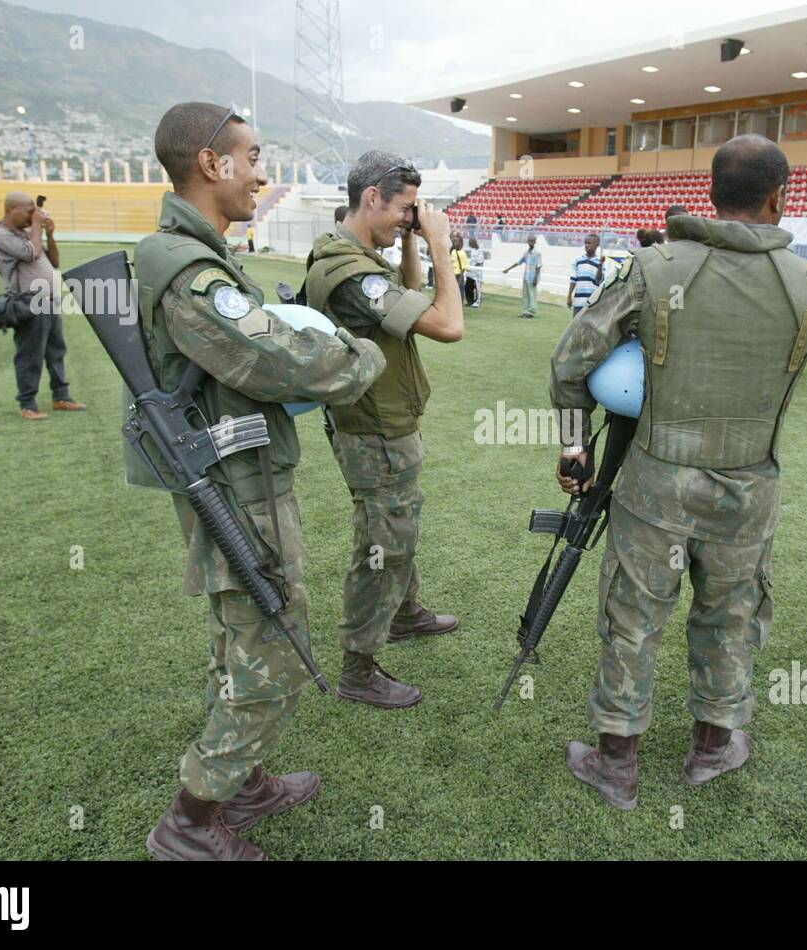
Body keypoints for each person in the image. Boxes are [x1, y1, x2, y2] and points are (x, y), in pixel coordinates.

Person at [549, 134, 807, 810]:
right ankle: (712, 746)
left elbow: (572, 359)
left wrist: (572, 447)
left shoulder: (653, 267)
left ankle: (617, 762)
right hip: (748, 486)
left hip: (655, 481)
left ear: (711, 191)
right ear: (778, 197)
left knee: (634, 615)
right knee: (731, 615)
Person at [137, 103, 384, 861]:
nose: (262, 174)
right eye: (252, 157)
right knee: (270, 643)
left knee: (240, 635)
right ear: (211, 165)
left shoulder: (189, 253)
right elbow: (280, 360)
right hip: (236, 488)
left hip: (232, 475)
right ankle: (190, 821)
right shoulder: (190, 271)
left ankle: (242, 784)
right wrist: (361, 357)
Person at [304, 151, 464, 709]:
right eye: (404, 209)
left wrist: (415, 239)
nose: (408, 219)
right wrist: (443, 245)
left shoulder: (359, 258)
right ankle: (359, 666)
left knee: (398, 523)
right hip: (373, 428)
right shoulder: (350, 272)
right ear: (371, 196)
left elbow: (406, 291)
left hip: (381, 420)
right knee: (381, 541)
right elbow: (447, 324)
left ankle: (404, 614)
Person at [0, 191, 85, 420]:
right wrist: (37, 227)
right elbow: (31, 254)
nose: (34, 215)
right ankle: (28, 403)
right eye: (29, 210)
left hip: (48, 302)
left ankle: (61, 396)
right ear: (12, 209)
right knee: (30, 354)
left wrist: (49, 235)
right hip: (27, 303)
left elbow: (54, 261)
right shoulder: (0, 234)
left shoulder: (24, 233)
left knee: (56, 351)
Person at [503, 235, 542, 319]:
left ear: (535, 242)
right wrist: (508, 269)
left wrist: (536, 278)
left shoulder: (537, 253)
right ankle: (525, 311)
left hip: (532, 277)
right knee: (525, 295)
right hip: (526, 277)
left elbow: (539, 266)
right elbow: (518, 262)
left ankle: (531, 311)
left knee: (532, 295)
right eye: (529, 241)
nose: (530, 242)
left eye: (532, 241)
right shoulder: (526, 253)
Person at [566, 233, 604, 317]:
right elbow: (573, 279)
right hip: (578, 302)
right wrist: (569, 296)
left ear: (597, 244)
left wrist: (600, 266)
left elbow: (599, 280)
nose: (586, 245)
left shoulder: (599, 262)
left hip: (592, 303)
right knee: (575, 327)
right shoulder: (578, 260)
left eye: (589, 243)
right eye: (585, 243)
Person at [451, 233, 470, 304]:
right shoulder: (453, 251)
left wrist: (459, 281)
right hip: (452, 275)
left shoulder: (462, 254)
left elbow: (463, 269)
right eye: (454, 241)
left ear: (460, 243)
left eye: (456, 242)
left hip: (458, 276)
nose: (454, 243)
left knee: (459, 293)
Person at [467, 237, 485, 308]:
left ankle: (478, 302)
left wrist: (473, 267)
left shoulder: (480, 251)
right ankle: (471, 301)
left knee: (478, 288)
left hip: (477, 273)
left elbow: (480, 262)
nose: (469, 245)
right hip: (471, 272)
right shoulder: (473, 250)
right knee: (469, 287)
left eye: (470, 244)